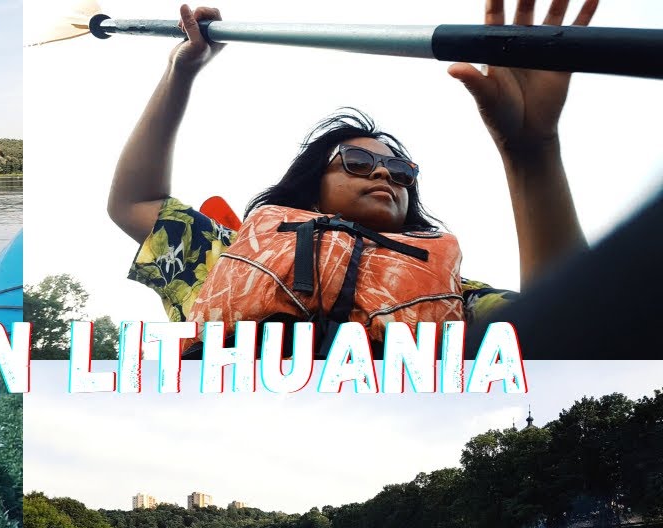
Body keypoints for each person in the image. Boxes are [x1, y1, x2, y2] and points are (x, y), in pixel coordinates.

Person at [107, 2, 596, 357]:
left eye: (401, 172)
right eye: (357, 163)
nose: (385, 172)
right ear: (312, 184)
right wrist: (180, 73)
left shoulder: (456, 296)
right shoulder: (224, 253)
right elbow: (135, 200)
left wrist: (531, 152)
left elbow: (570, 331)